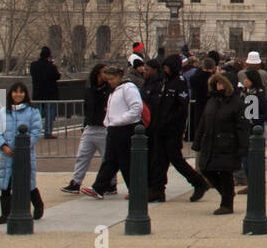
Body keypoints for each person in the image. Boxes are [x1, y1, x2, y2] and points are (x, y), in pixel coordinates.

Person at [147, 54, 210, 202]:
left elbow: (181, 109)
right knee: (159, 161)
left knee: (176, 159)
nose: (166, 70)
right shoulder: (165, 82)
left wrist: (169, 122)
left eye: (168, 67)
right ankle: (157, 190)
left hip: (172, 129)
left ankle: (198, 182)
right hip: (160, 128)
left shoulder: (179, 82)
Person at [81, 66, 144, 199]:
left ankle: (134, 188)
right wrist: (109, 122)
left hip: (125, 128)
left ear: (120, 76)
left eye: (112, 78)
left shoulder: (128, 88)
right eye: (108, 79)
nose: (109, 81)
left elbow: (137, 108)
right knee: (111, 160)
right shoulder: (115, 90)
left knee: (123, 160)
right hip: (114, 128)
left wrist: (119, 120)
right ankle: (99, 187)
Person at [194, 73, 250, 214]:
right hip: (211, 142)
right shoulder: (212, 101)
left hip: (227, 142)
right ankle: (227, 194)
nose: (218, 86)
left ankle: (227, 203)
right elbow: (203, 121)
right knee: (205, 168)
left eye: (221, 83)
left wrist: (243, 146)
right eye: (217, 83)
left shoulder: (236, 103)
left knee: (225, 173)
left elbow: (242, 127)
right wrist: (197, 141)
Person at [0, 81, 44, 222]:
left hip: (25, 154)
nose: (18, 94)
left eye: (21, 92)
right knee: (6, 184)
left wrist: (23, 146)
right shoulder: (4, 111)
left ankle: (38, 204)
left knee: (27, 182)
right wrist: (3, 146)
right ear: (11, 94)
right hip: (7, 154)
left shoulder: (33, 111)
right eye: (16, 91)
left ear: (26, 94)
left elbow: (36, 132)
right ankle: (6, 213)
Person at [62, 63, 110, 194]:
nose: (107, 75)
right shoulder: (89, 89)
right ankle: (76, 182)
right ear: (97, 74)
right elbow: (87, 108)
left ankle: (111, 183)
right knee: (82, 155)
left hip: (104, 127)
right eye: (104, 72)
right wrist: (85, 124)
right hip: (90, 126)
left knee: (107, 158)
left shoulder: (110, 89)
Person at [238, 69, 267, 194]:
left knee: (252, 158)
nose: (245, 81)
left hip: (254, 130)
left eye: (247, 79)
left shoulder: (259, 94)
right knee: (245, 158)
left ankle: (256, 182)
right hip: (244, 130)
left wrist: (255, 121)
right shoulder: (244, 93)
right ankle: (251, 181)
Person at [28, 46, 61, 139]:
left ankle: (36, 132)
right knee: (49, 114)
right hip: (50, 94)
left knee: (36, 114)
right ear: (49, 55)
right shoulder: (51, 66)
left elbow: (32, 74)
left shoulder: (34, 65)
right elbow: (57, 76)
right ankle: (48, 132)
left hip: (37, 93)